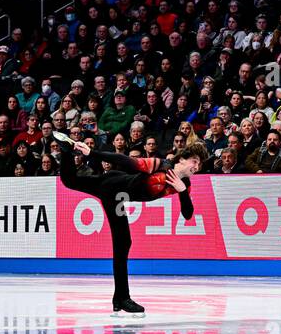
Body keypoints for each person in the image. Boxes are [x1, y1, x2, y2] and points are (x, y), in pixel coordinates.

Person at [51, 131, 202, 315]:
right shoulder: (160, 165)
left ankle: (66, 151)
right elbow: (124, 160)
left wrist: (182, 191)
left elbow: (188, 215)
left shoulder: (184, 184)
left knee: (71, 181)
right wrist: (92, 153)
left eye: (199, 163)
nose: (197, 166)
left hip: (119, 197)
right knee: (123, 242)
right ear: (183, 159)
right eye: (195, 161)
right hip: (113, 187)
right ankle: (122, 298)